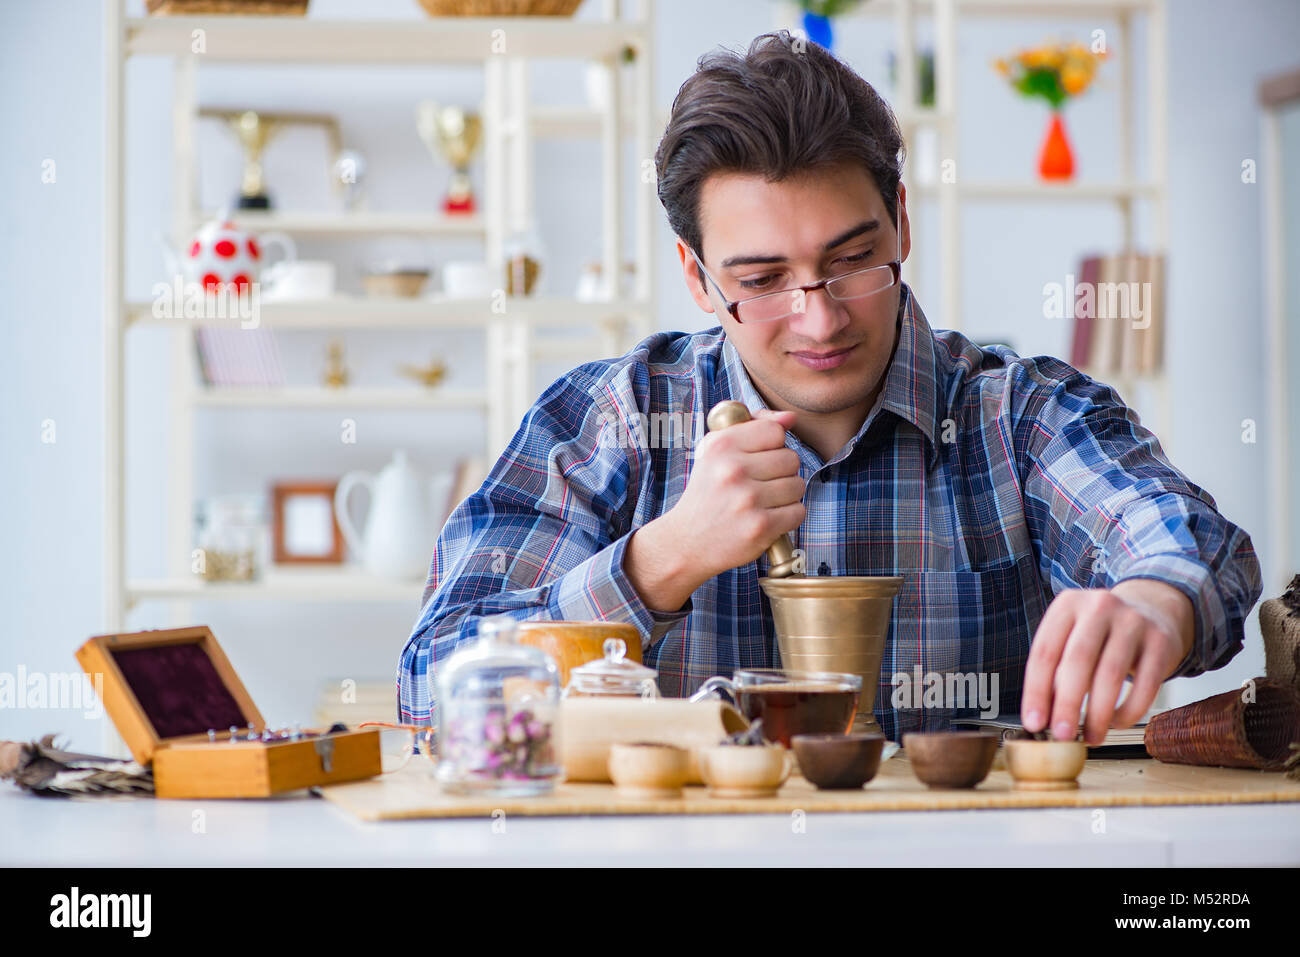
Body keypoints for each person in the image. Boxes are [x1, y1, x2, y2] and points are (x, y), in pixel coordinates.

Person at [398, 30, 1262, 745]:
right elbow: (430, 680)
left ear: (902, 221)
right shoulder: (611, 420)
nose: (820, 320)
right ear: (698, 279)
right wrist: (662, 561)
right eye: (765, 279)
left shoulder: (1015, 415)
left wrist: (1156, 601)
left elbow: (1198, 548)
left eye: (852, 261)